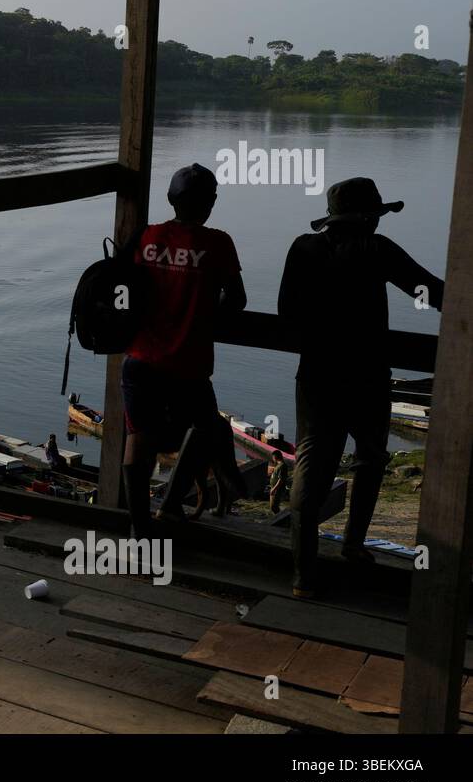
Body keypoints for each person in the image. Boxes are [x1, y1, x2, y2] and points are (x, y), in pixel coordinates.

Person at [278, 177, 443, 598]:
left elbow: (286, 312)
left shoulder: (304, 247)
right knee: (369, 460)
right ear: (368, 217)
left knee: (311, 467)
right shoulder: (377, 249)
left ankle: (303, 575)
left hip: (316, 376)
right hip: (368, 378)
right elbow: (430, 291)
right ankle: (352, 545)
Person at [121, 163, 249, 539]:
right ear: (210, 204)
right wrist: (203, 309)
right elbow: (237, 300)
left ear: (170, 200)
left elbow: (119, 282)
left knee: (138, 440)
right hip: (188, 364)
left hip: (140, 360)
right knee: (207, 428)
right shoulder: (219, 243)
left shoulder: (146, 236)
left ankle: (139, 529)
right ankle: (172, 504)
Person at [267, 450, 289, 515]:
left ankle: (278, 518)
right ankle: (277, 517)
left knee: (274, 507)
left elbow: (281, 480)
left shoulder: (282, 466)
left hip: (277, 490)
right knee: (273, 506)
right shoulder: (278, 465)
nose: (273, 459)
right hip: (274, 488)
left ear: (275, 457)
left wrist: (274, 489)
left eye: (273, 457)